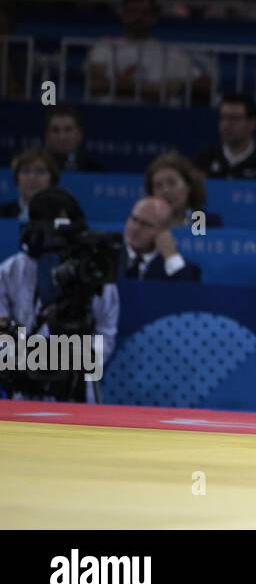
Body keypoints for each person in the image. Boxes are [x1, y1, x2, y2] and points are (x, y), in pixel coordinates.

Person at [0, 188, 119, 402]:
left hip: (79, 386)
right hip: (24, 387)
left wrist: (79, 361)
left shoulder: (92, 271)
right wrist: (25, 360)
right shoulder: (10, 270)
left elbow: (106, 330)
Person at [193, 93, 256, 180]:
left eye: (234, 118)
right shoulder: (204, 159)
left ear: (252, 123)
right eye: (223, 117)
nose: (226, 124)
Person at [119, 196, 201, 282]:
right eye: (134, 219)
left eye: (146, 224)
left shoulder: (179, 268)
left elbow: (187, 292)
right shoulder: (110, 255)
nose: (135, 228)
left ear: (163, 232)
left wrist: (171, 256)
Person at [144, 152, 224, 228]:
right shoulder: (145, 226)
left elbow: (199, 238)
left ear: (188, 186)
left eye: (172, 183)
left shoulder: (207, 222)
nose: (166, 191)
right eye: (159, 186)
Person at [0, 148, 58, 221]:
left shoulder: (61, 214)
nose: (32, 178)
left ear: (52, 179)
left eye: (40, 171)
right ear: (17, 178)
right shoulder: (2, 214)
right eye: (26, 171)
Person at [43, 105, 106, 172]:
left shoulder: (96, 171)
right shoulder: (32, 172)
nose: (62, 137)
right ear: (47, 135)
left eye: (68, 130)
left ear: (79, 134)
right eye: (55, 130)